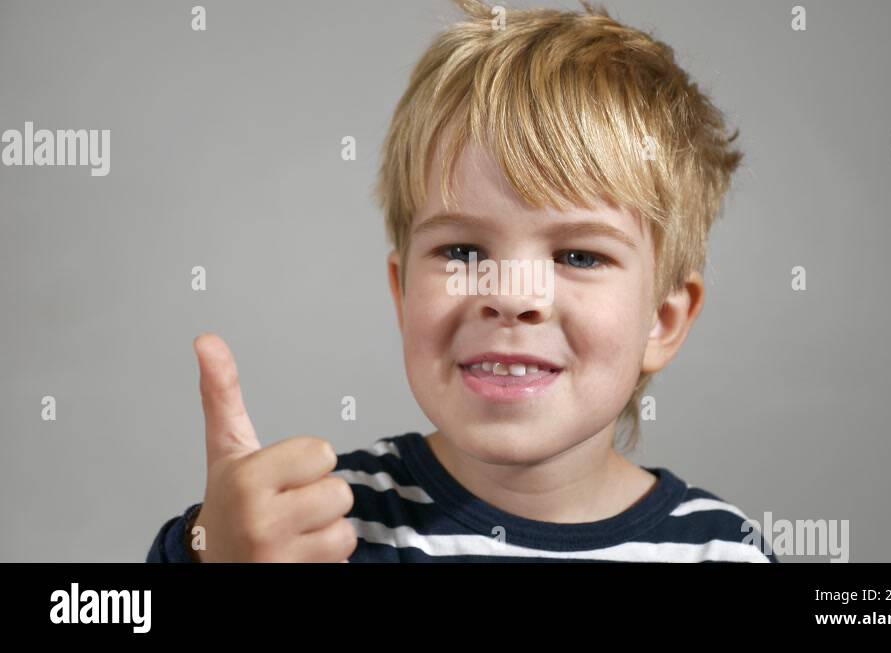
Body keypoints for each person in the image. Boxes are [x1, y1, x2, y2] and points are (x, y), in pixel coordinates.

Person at [146, 0, 777, 563]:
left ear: (663, 321)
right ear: (402, 294)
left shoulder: (722, 551)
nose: (510, 293)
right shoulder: (316, 532)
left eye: (579, 256)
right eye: (463, 249)